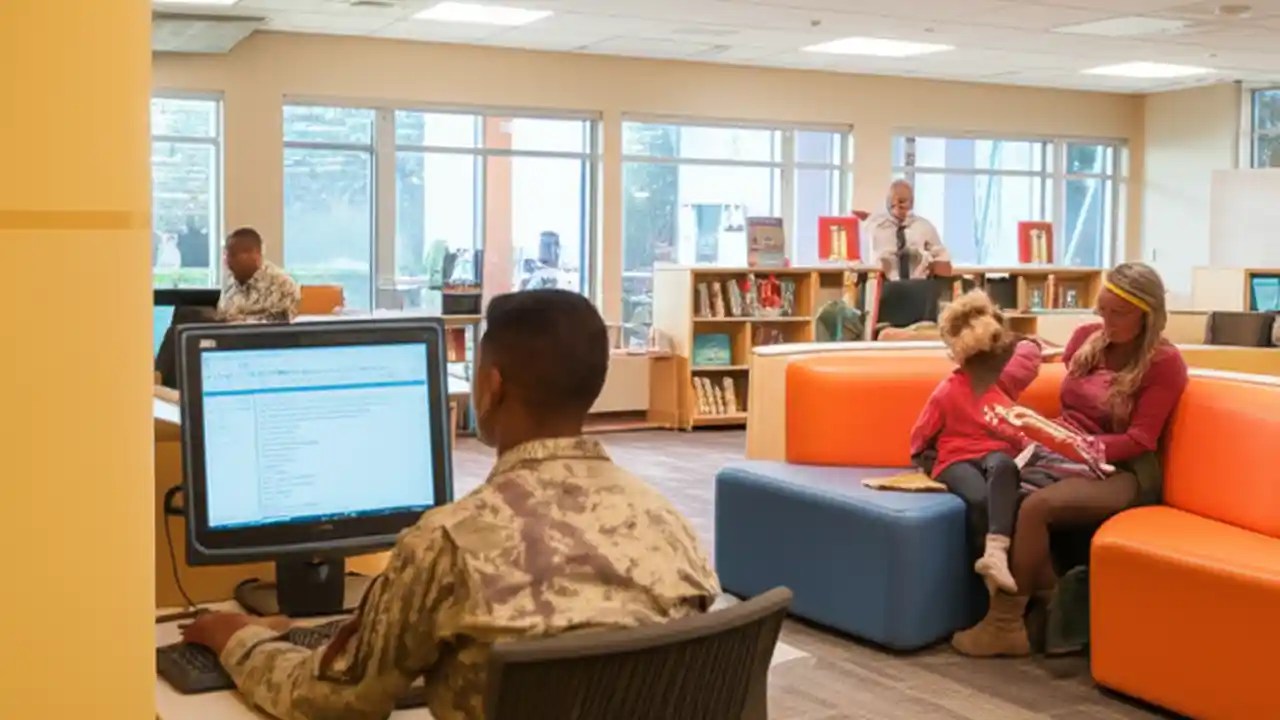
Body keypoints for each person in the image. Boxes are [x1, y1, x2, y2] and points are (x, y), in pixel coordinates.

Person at [181, 289, 721, 720]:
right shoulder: (671, 527)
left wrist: (238, 640)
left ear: (490, 387)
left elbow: (331, 701)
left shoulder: (446, 544)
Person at [951, 262, 1188, 658]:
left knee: (1037, 507)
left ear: (1147, 315)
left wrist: (1076, 446)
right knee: (997, 491)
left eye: (1118, 314)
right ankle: (1053, 604)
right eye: (1102, 310)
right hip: (1061, 449)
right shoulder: (1087, 338)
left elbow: (1140, 439)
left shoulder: (1163, 363)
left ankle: (1004, 624)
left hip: (1123, 469)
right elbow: (1039, 359)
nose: (1106, 322)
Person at [909, 290, 1042, 594]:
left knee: (1005, 469)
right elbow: (920, 435)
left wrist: (1024, 441)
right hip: (955, 459)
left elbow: (1009, 424)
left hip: (993, 454)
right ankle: (980, 578)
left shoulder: (999, 387)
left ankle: (996, 553)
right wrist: (924, 461)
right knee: (980, 498)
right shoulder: (947, 391)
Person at [153, 227, 300, 387]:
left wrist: (230, 323)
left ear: (254, 254)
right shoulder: (231, 281)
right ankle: (162, 381)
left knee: (188, 325)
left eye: (233, 255)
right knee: (184, 317)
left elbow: (280, 326)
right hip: (225, 335)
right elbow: (224, 311)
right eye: (226, 255)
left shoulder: (281, 283)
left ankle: (161, 381)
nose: (227, 261)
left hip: (256, 342)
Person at [866, 179, 952, 281]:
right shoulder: (876, 227)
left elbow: (944, 262)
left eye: (902, 201)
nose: (897, 205)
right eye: (892, 202)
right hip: (884, 283)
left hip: (917, 284)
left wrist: (930, 263)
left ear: (911, 202)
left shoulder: (924, 227)